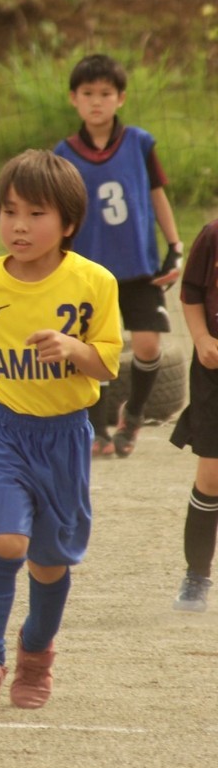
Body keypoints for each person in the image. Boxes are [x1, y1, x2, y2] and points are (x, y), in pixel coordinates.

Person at [0, 149, 121, 711]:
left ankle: (36, 654)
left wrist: (75, 349)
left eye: (36, 214)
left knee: (49, 561)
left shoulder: (94, 283)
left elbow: (107, 363)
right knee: (9, 540)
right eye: (9, 211)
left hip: (64, 435)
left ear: (67, 223)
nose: (19, 225)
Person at [55, 53, 184, 458]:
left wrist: (175, 246)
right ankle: (97, 429)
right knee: (94, 349)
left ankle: (136, 413)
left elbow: (156, 195)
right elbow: (59, 211)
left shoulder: (139, 143)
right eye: (88, 93)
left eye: (105, 94)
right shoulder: (64, 152)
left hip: (138, 269)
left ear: (120, 98)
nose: (97, 101)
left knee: (148, 346)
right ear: (73, 99)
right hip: (90, 272)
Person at [167, 219, 218, 611]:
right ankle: (197, 576)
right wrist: (201, 338)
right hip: (214, 372)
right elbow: (191, 291)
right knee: (212, 475)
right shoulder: (213, 234)